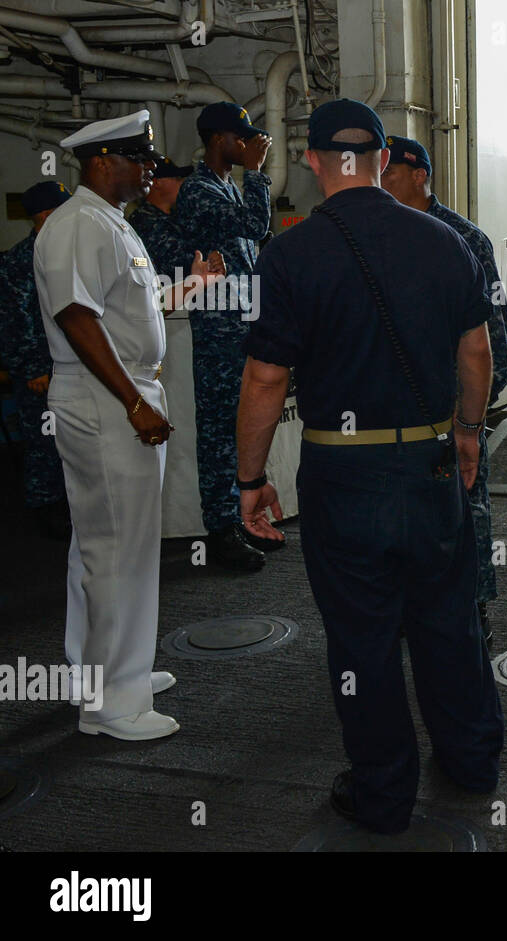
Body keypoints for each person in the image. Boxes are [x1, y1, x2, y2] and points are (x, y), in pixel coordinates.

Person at [235, 99, 504, 833]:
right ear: (383, 160)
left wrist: (251, 479)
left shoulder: (290, 253)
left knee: (364, 638)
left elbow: (265, 379)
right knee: (448, 620)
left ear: (316, 163)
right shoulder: (446, 241)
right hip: (431, 464)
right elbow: (475, 351)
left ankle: (384, 795)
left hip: (342, 475)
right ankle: (474, 759)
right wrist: (470, 432)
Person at [33, 110, 224, 740]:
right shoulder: (79, 224)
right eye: (139, 160)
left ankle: (105, 670)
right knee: (121, 550)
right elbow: (76, 316)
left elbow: (123, 311)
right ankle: (114, 703)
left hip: (117, 392)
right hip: (106, 399)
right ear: (100, 163)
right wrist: (133, 402)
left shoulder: (111, 224)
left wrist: (187, 290)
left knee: (102, 544)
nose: (150, 171)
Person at [379, 134, 507, 647]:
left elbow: (492, 347)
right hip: (388, 414)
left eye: (390, 173)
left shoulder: (464, 239)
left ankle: (471, 614)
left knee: (462, 515)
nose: (381, 182)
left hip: (446, 413)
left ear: (419, 176)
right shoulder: (376, 240)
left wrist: (468, 420)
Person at [173, 101, 279, 570]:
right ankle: (220, 531)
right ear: (218, 140)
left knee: (240, 427)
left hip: (239, 322)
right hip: (217, 329)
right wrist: (256, 172)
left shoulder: (224, 187)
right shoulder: (199, 191)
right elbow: (256, 226)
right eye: (241, 139)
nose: (247, 145)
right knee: (219, 431)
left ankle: (242, 518)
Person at [0, 182, 72, 538]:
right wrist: (33, 369)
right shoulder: (18, 260)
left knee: (70, 438)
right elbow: (15, 321)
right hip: (40, 368)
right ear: (45, 216)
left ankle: (69, 503)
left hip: (70, 363)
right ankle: (46, 505)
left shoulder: (65, 253)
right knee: (44, 440)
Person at [129, 154, 194, 282]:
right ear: (158, 183)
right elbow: (181, 263)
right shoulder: (144, 220)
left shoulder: (176, 215)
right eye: (177, 178)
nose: (182, 183)